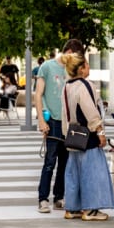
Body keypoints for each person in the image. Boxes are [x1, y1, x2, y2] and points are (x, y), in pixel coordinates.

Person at [60, 52, 114, 221]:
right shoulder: (85, 85)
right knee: (93, 172)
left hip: (73, 135)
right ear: (81, 69)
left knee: (73, 173)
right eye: (86, 64)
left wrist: (66, 133)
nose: (89, 67)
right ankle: (91, 210)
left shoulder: (67, 86)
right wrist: (101, 133)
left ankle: (73, 208)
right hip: (88, 135)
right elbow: (91, 112)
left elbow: (65, 114)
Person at [34, 38, 85, 213]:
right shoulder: (47, 67)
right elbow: (38, 94)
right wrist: (41, 120)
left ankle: (59, 197)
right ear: (69, 52)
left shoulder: (72, 70)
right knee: (50, 161)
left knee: (65, 162)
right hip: (53, 120)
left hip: (69, 122)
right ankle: (43, 199)